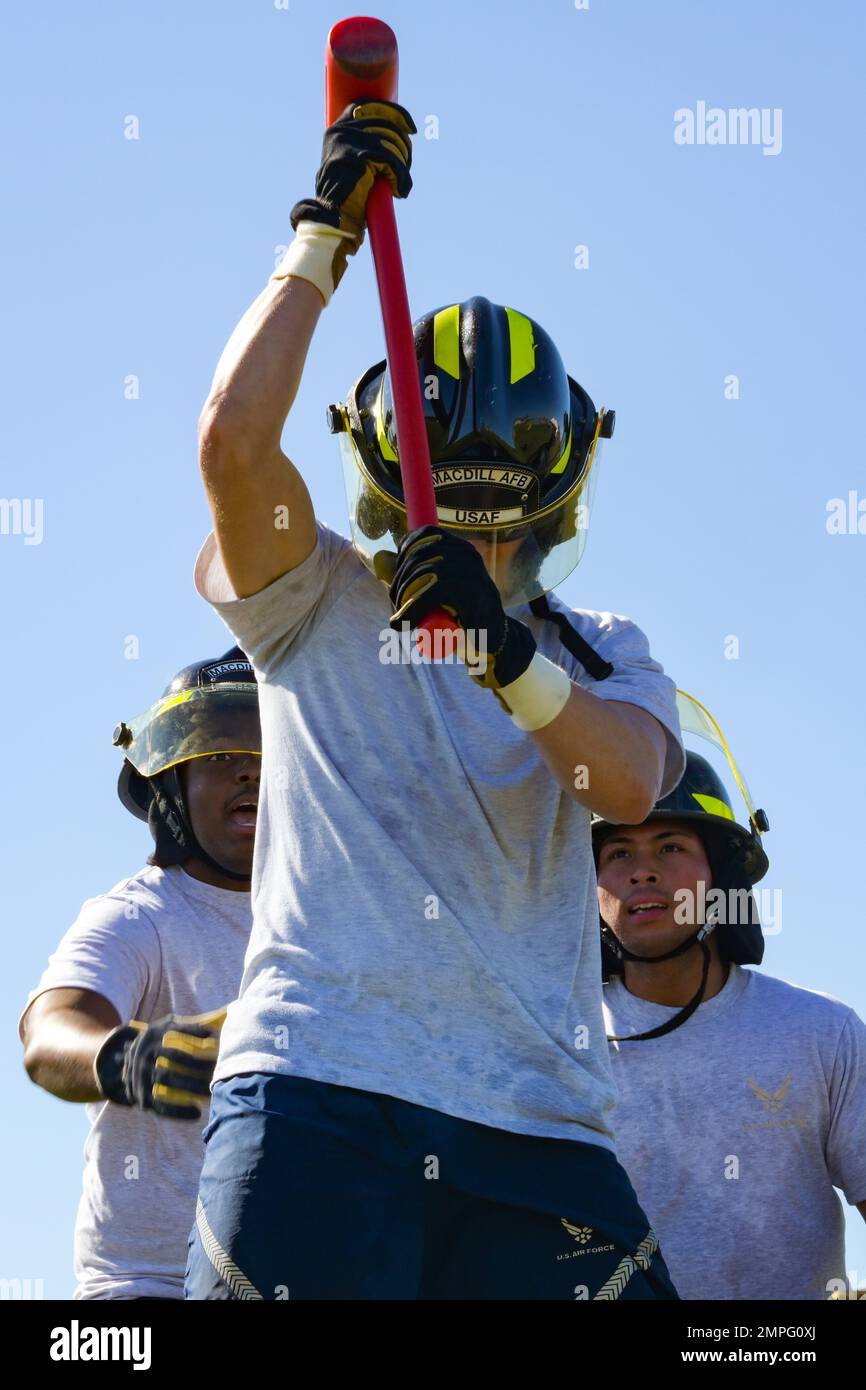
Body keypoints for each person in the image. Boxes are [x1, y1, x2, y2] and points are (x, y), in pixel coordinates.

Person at [186, 99, 685, 1301]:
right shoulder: (311, 596)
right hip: (316, 1093)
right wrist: (320, 235)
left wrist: (500, 649)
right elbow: (231, 446)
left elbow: (622, 781)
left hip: (542, 1127)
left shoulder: (599, 645)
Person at [594, 696, 866, 1300]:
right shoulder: (555, 1043)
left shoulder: (822, 1034)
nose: (643, 871)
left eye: (670, 847)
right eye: (618, 853)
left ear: (723, 877)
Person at [20, 648, 260, 1300]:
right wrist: (129, 1058)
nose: (247, 771)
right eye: (217, 753)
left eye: (272, 754)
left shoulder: (342, 921)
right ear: (170, 787)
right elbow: (49, 1033)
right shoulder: (139, 916)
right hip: (149, 1292)